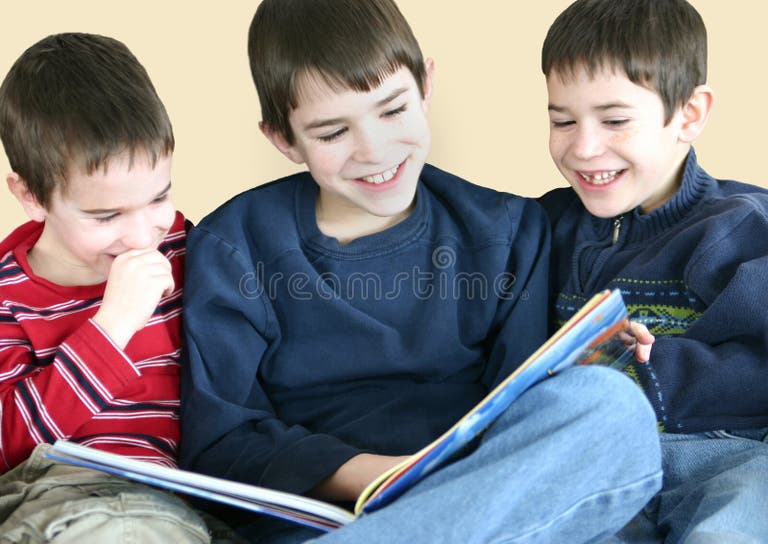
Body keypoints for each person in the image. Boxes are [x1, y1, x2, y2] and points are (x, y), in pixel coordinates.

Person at [180, 1, 662, 542]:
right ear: (283, 139)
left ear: (426, 86)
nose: (375, 149)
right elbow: (220, 441)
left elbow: (525, 408)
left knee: (610, 405)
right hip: (327, 515)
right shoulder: (234, 245)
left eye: (392, 111)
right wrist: (388, 473)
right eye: (332, 132)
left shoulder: (508, 229)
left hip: (488, 493)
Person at [539, 0, 768, 541]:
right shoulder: (542, 229)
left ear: (689, 114)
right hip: (595, 466)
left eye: (615, 120)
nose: (584, 147)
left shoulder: (740, 226)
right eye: (562, 120)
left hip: (725, 455)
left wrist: (655, 364)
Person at [0, 33, 240, 543]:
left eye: (159, 198)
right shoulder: (8, 296)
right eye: (105, 215)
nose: (140, 235)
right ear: (30, 194)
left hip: (176, 501)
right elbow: (7, 444)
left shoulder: (190, 251)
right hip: (51, 490)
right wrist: (111, 328)